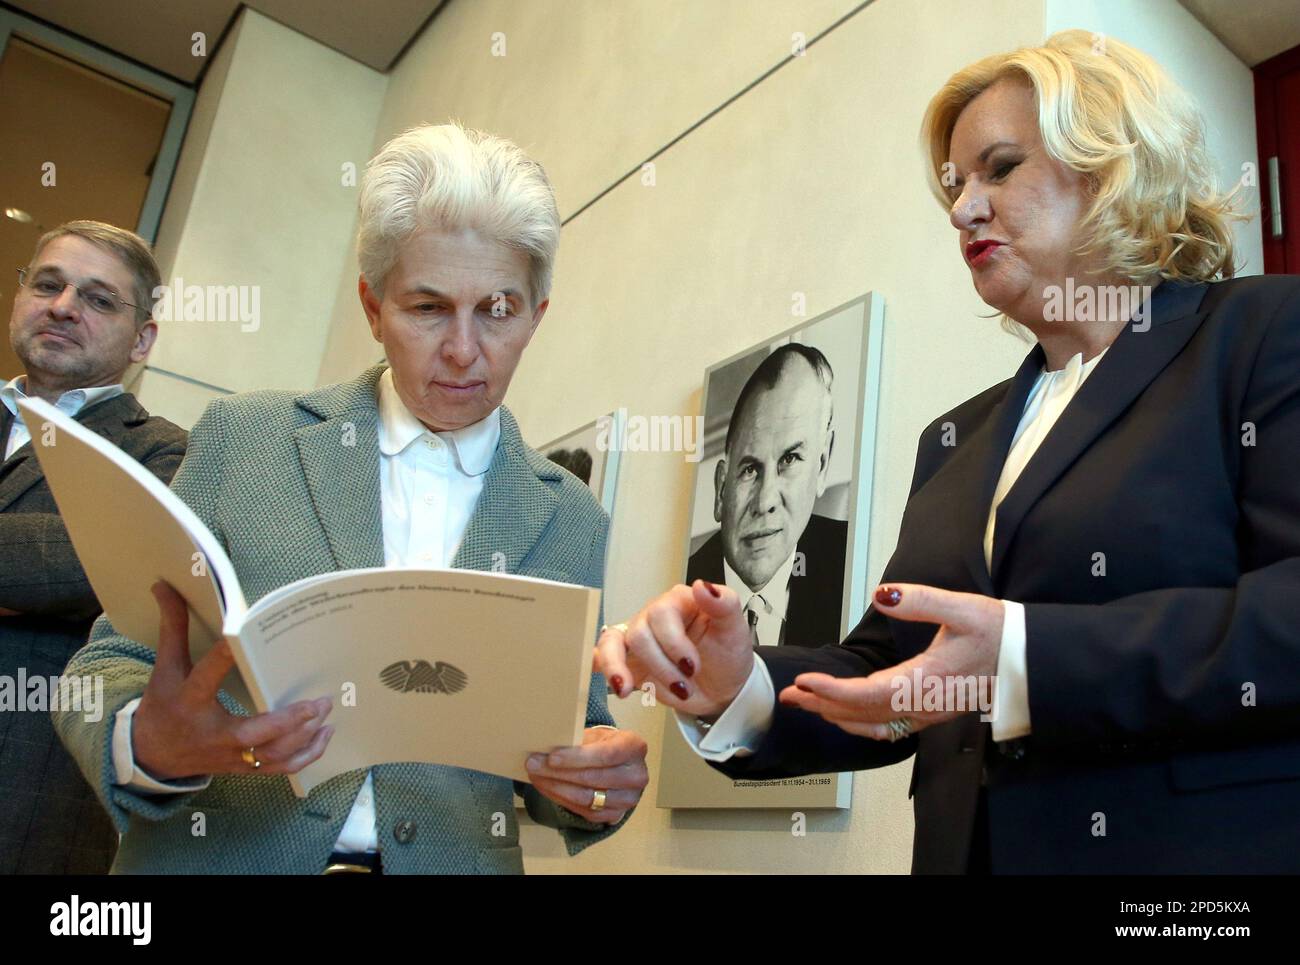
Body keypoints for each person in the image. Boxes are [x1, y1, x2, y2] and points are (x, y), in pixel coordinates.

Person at [596, 30, 1300, 873]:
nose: (964, 207)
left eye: (999, 168)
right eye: (956, 184)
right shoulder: (955, 437)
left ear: (1111, 166)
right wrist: (736, 684)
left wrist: (1025, 657)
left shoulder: (1262, 334)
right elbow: (892, 670)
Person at [53, 124, 648, 874]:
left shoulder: (571, 515)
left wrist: (597, 785)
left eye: (497, 310)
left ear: (536, 314)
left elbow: (572, 748)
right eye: (428, 308)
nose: (465, 349)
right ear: (373, 308)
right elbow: (108, 661)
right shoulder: (246, 439)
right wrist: (143, 741)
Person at [1, 221, 187, 874]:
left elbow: (88, 565)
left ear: (143, 338)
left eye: (98, 298)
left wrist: (45, 579)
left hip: (27, 799)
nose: (62, 305)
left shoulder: (165, 452)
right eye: (48, 284)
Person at [685, 344, 846, 648]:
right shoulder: (687, 592)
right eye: (749, 470)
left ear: (821, 466)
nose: (764, 501)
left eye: (789, 459)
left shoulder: (843, 563)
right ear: (721, 489)